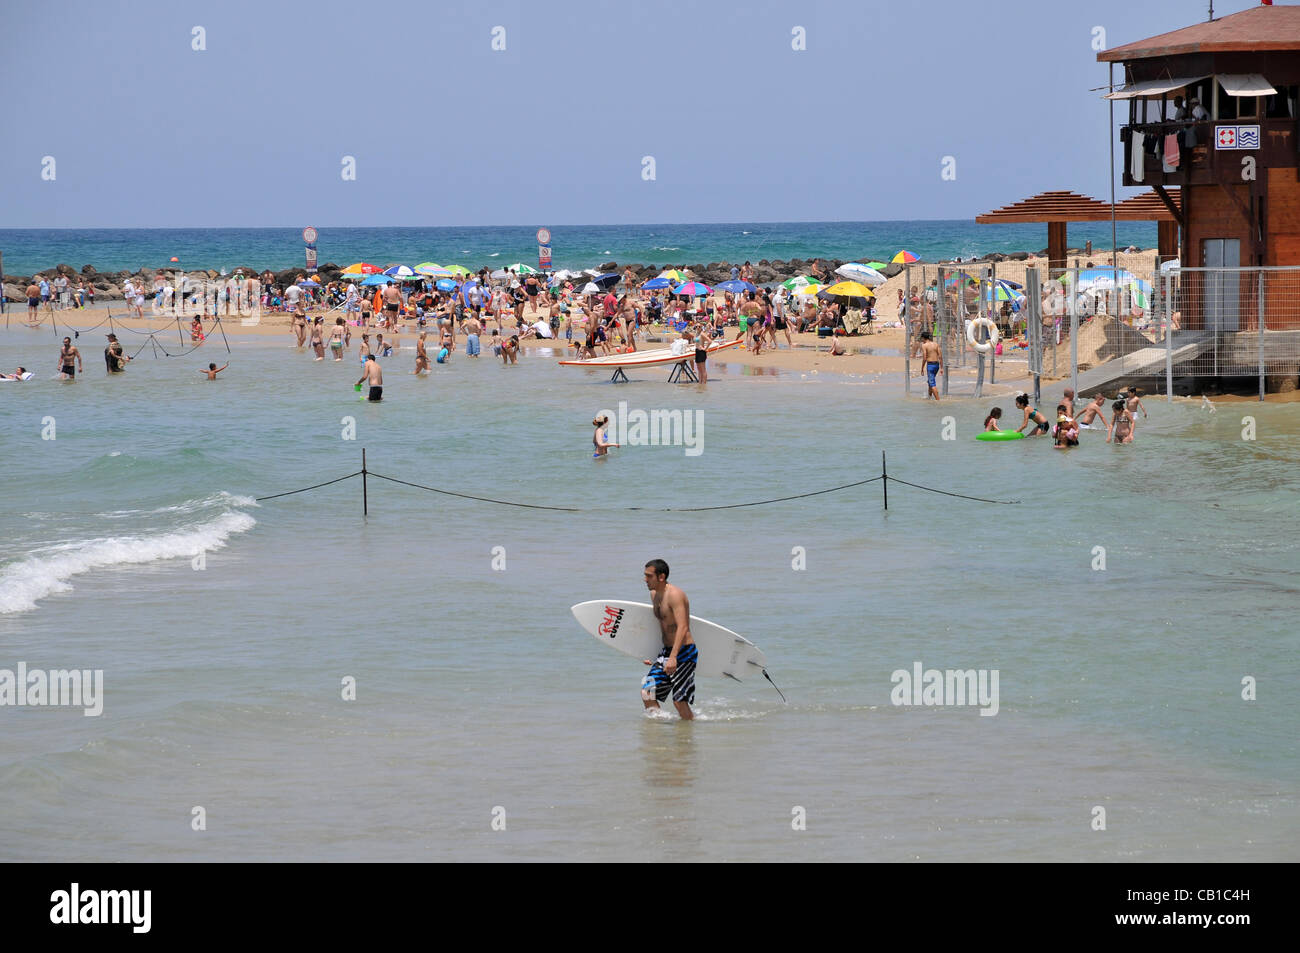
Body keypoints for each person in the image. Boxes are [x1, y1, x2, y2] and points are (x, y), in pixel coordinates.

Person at [640, 558, 698, 721]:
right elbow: (662, 627)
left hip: (684, 653)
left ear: (661, 577)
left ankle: (686, 735)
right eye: (645, 575)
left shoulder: (675, 595)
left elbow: (683, 627)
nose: (645, 579)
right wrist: (651, 654)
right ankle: (660, 733)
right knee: (647, 692)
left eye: (649, 576)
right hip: (666, 651)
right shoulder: (654, 595)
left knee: (679, 701)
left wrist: (673, 657)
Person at [912, 331, 943, 400]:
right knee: (930, 381)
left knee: (932, 384)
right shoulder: (936, 344)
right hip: (937, 365)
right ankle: (929, 397)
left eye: (922, 339)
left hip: (930, 365)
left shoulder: (924, 345)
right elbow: (940, 356)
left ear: (923, 338)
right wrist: (941, 368)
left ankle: (938, 400)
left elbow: (925, 358)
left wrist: (922, 368)